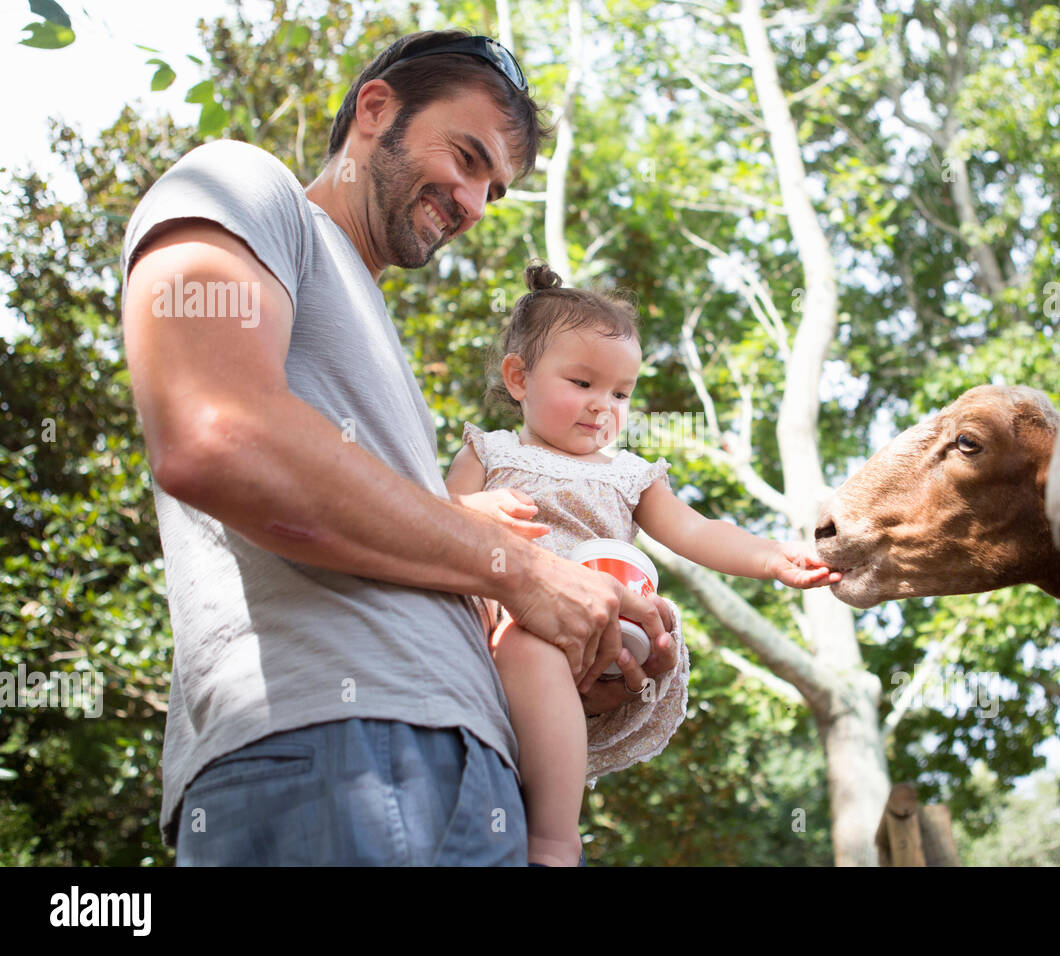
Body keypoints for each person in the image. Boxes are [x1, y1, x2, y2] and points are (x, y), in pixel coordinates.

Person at [119, 30, 676, 866]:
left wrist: (568, 646)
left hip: (469, 775)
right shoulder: (244, 183)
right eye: (467, 155)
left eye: (495, 187)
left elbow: (386, 544)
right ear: (376, 109)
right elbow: (218, 435)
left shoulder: (375, 348)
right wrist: (518, 568)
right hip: (344, 751)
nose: (477, 203)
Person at [445, 262, 840, 866]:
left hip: (604, 627)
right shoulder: (488, 452)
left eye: (621, 393)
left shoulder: (629, 474)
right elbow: (434, 515)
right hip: (499, 622)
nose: (603, 406)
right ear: (518, 378)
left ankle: (553, 838)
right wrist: (473, 507)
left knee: (546, 650)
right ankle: (530, 817)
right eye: (581, 383)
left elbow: (693, 530)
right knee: (522, 657)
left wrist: (772, 558)